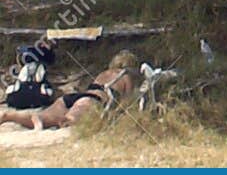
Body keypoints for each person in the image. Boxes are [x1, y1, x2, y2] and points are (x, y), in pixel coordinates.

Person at [0, 53, 137, 131]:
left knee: (43, 117)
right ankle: (54, 121)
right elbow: (128, 102)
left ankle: (9, 116)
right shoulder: (125, 76)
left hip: (76, 96)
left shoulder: (104, 73)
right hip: (92, 99)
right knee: (68, 121)